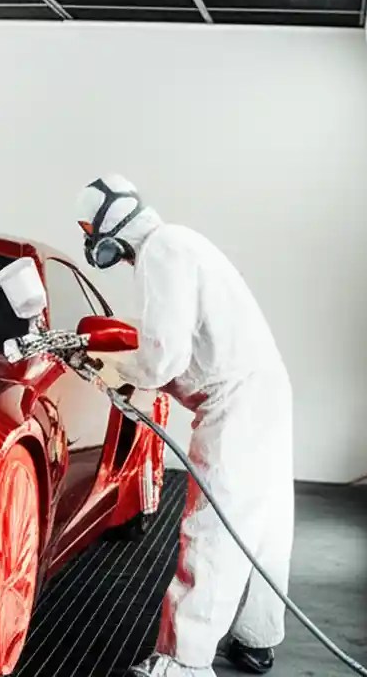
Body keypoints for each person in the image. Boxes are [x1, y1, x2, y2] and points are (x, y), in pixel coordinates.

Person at [74, 174, 294, 677]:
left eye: (90, 231)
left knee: (213, 528)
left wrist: (112, 369)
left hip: (233, 403)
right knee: (264, 525)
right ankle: (258, 638)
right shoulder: (184, 242)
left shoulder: (161, 250)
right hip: (266, 390)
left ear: (109, 228)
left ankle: (183, 663)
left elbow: (163, 359)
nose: (92, 245)